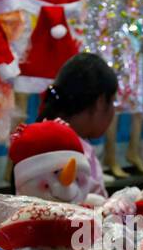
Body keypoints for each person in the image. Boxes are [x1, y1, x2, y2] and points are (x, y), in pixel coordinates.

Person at [36, 53, 117, 199]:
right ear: (100, 102)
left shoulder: (38, 138)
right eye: (112, 102)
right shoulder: (77, 154)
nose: (113, 111)